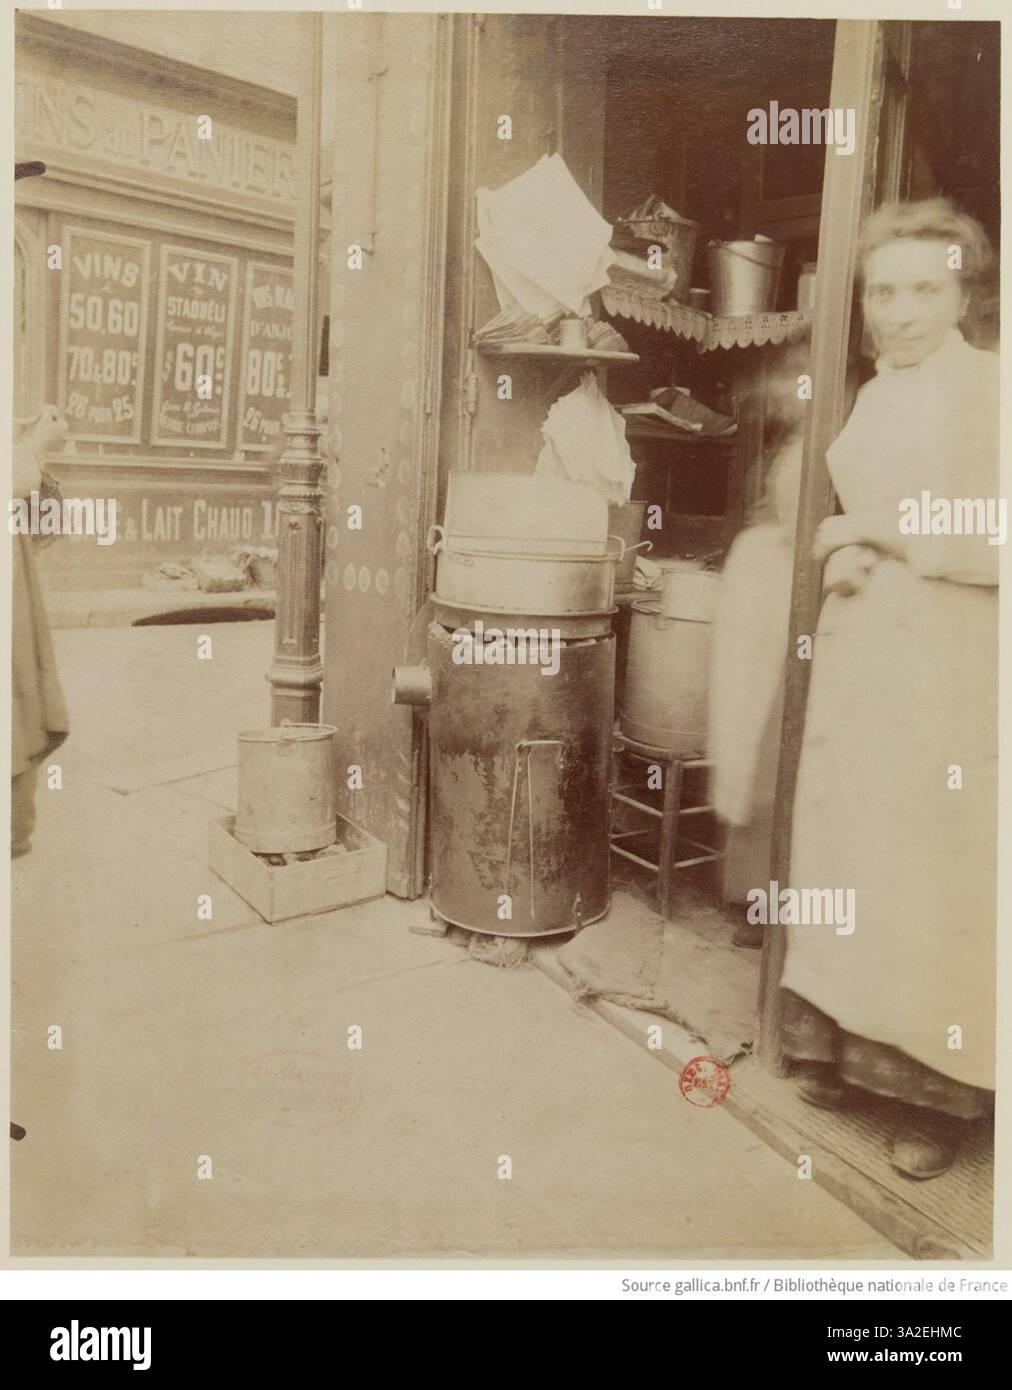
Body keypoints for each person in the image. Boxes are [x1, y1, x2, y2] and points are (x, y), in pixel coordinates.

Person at [781, 199, 998, 1180]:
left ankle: (938, 1098)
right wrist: (849, 555)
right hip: (869, 646)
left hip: (952, 660)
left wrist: (873, 534)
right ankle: (842, 1052)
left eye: (924, 288)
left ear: (964, 292)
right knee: (856, 847)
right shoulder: (875, 392)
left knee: (933, 870)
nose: (900, 310)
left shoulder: (990, 389)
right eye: (882, 290)